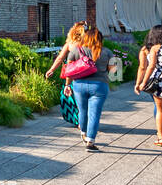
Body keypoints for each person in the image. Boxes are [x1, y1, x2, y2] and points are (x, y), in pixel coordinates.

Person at [46, 21, 116, 152]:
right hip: (99, 86)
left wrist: (67, 85)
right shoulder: (107, 52)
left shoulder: (75, 50)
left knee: (82, 111)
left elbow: (70, 70)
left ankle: (83, 132)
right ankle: (90, 141)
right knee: (94, 114)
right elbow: (113, 72)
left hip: (79, 85)